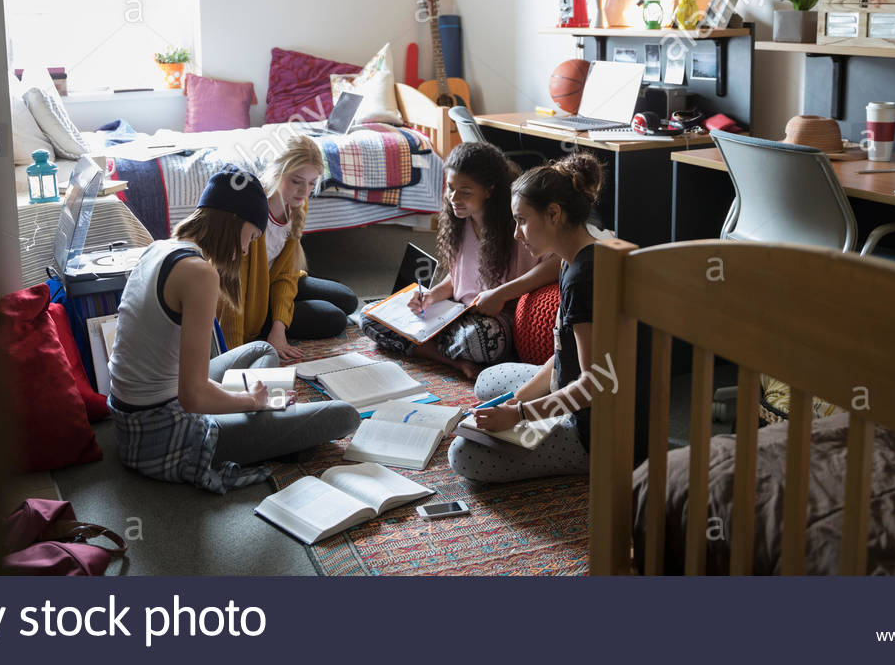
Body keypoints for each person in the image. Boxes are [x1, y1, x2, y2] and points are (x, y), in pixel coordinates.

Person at [106, 168, 360, 493]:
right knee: (343, 416)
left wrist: (247, 399)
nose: (244, 252)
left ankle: (265, 421)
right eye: (252, 237)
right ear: (234, 222)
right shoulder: (199, 274)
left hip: (136, 413)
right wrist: (251, 402)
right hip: (163, 432)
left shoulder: (160, 247)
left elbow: (173, 370)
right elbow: (193, 396)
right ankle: (267, 426)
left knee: (262, 350)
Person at [448, 152, 603, 483]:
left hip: (592, 431)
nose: (517, 234)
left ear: (553, 214)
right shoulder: (571, 258)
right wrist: (517, 402)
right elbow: (565, 353)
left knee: (463, 456)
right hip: (570, 387)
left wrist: (519, 414)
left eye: (521, 220)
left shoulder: (583, 278)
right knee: (488, 381)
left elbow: (595, 385)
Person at [361, 142, 559, 379]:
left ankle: (423, 343)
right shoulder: (459, 221)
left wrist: (502, 294)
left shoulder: (516, 225)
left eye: (465, 191)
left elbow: (558, 262)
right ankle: (452, 361)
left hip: (495, 320)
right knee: (369, 316)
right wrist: (431, 296)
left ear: (489, 190)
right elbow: (457, 278)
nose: (454, 198)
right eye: (450, 187)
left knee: (481, 340)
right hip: (454, 313)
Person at [217, 134, 358, 361]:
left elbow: (286, 274)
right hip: (250, 298)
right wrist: (233, 354)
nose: (304, 192)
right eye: (296, 181)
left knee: (348, 299)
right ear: (278, 171)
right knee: (334, 318)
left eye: (312, 183)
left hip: (275, 280)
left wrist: (279, 327)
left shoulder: (298, 205)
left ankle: (279, 316)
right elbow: (233, 289)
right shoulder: (252, 210)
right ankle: (264, 327)